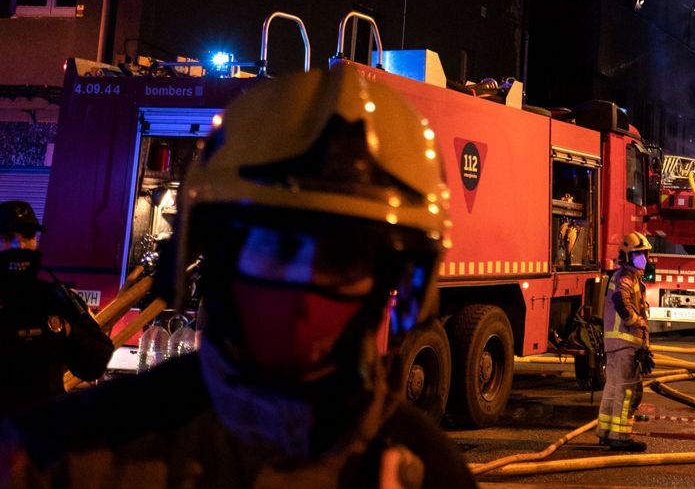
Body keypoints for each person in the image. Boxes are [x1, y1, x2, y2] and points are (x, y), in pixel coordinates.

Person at [1, 66, 476, 487]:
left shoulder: (429, 471)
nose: (303, 295)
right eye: (278, 245)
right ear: (223, 256)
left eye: (341, 258)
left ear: (390, 282)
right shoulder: (65, 457)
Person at [0, 199, 114, 417]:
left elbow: (96, 363)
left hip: (45, 434)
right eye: (7, 238)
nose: (19, 246)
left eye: (28, 237)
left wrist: (66, 330)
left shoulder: (55, 297)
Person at [596, 230, 652, 452]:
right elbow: (621, 299)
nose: (644, 259)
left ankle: (605, 432)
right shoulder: (626, 278)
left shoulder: (625, 275)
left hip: (616, 345)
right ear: (628, 256)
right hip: (626, 343)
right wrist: (635, 320)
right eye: (639, 254)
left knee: (612, 388)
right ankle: (620, 436)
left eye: (645, 254)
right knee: (627, 390)